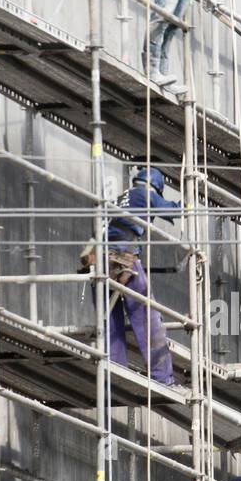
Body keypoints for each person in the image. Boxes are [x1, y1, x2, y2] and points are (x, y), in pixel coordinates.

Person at [86, 165, 180, 385]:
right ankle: (162, 377)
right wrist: (188, 204)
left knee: (109, 317)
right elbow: (171, 211)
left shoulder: (120, 198)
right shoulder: (146, 194)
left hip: (99, 260)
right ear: (155, 187)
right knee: (146, 315)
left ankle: (114, 368)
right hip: (124, 259)